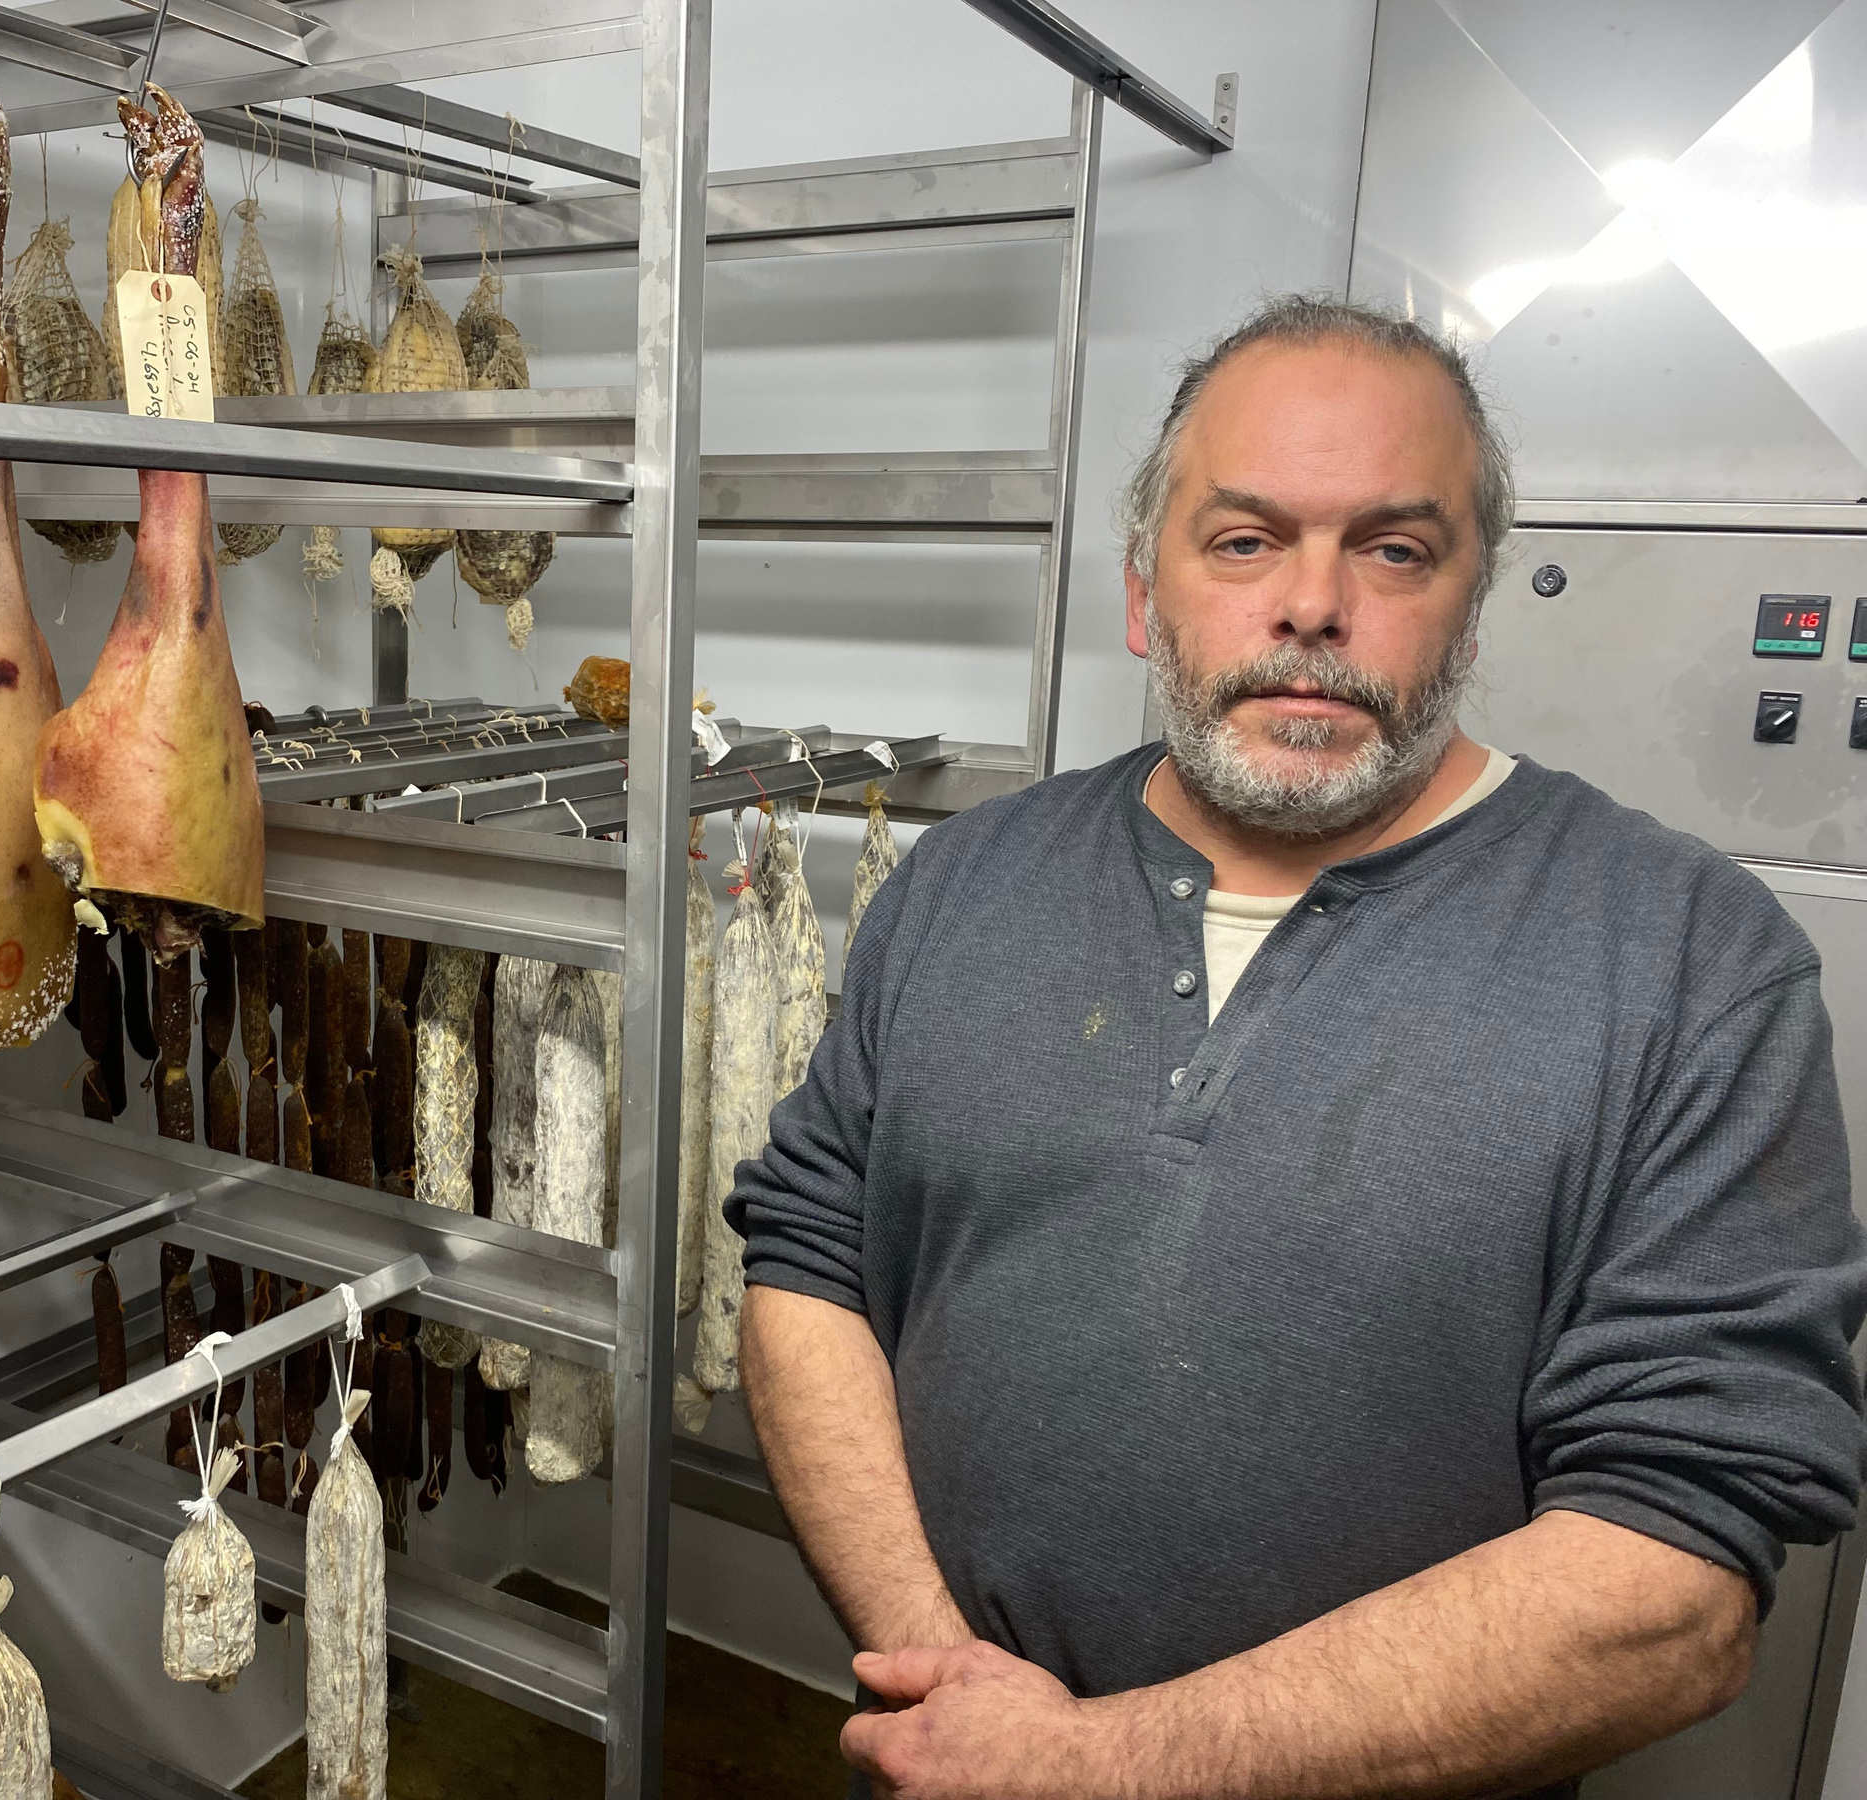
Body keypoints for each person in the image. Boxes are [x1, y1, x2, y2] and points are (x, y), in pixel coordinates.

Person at [728, 294, 1867, 1800]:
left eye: (1394, 549)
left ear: (1469, 605)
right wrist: (946, 1686)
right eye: (1245, 538)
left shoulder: (1690, 963)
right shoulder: (964, 882)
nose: (1313, 606)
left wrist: (1091, 1768)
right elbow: (807, 1265)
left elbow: (1678, 1576)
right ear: (1148, 591)